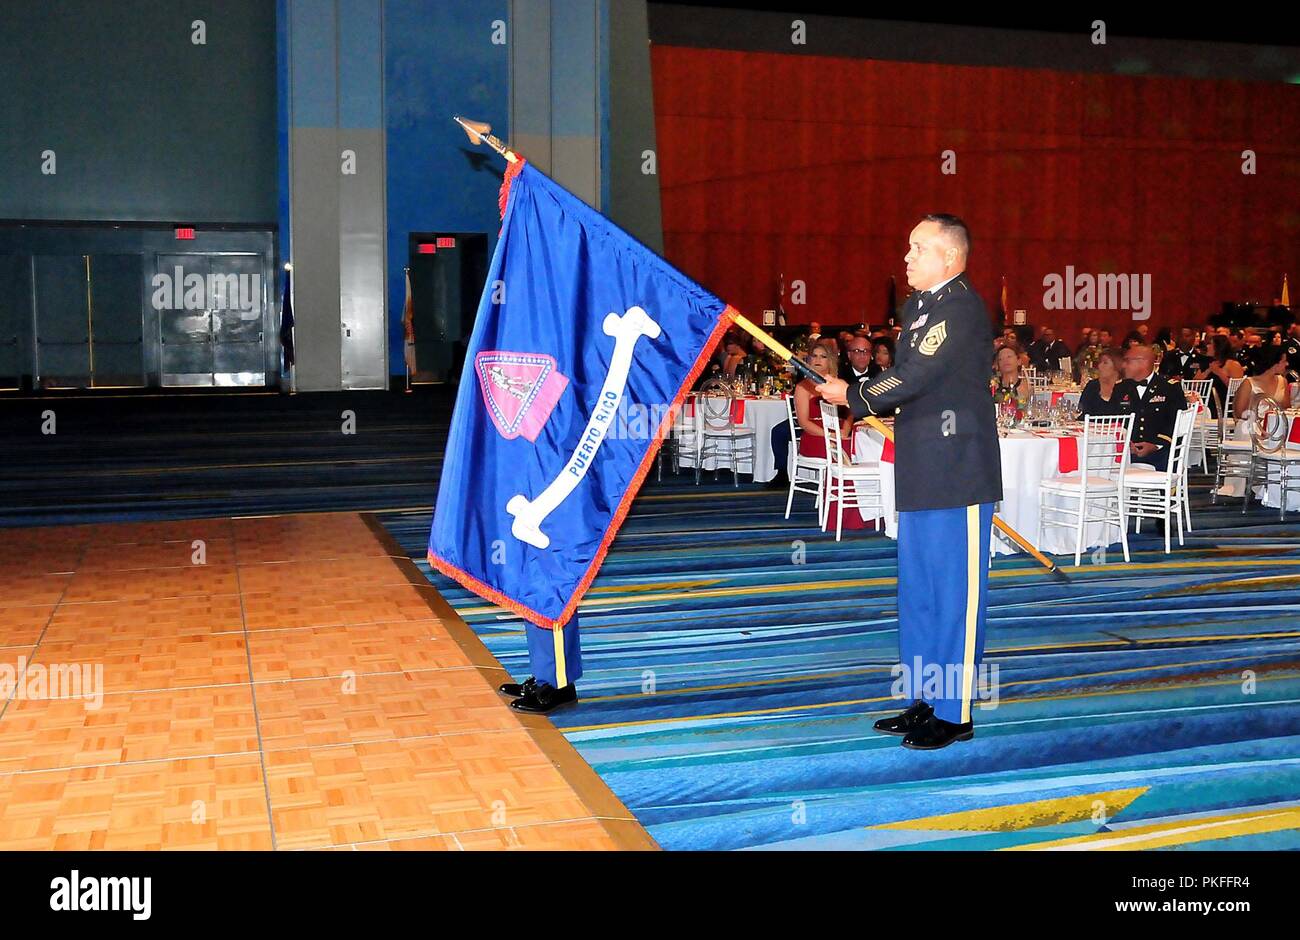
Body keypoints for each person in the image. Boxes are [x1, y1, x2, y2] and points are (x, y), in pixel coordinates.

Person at [817, 213, 1001, 750]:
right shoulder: (920, 307)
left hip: (958, 472)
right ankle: (923, 698)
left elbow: (916, 375)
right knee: (919, 592)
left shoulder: (960, 307)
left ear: (947, 257)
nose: (906, 257)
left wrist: (852, 395)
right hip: (920, 465)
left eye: (917, 248)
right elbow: (917, 383)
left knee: (955, 595)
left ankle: (956, 710)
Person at [794, 341, 866, 531]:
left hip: (841, 432)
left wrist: (845, 431)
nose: (817, 360)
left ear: (830, 361)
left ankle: (869, 510)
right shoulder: (802, 387)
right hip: (815, 435)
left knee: (862, 448)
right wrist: (833, 435)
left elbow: (852, 410)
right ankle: (844, 516)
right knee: (840, 453)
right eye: (814, 356)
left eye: (823, 356)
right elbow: (804, 423)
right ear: (808, 359)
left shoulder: (839, 385)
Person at [1120, 344, 1187, 471]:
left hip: (1159, 452)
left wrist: (1156, 445)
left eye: (1127, 361)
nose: (1123, 365)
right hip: (1126, 452)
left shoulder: (1169, 388)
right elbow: (1114, 420)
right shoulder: (1121, 388)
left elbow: (1178, 424)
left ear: (1142, 362)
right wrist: (1125, 443)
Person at [1232, 346, 1291, 420]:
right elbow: (1239, 413)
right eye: (1284, 361)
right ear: (1274, 364)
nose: (1287, 364)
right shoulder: (1249, 383)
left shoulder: (1283, 381)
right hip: (1251, 426)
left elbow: (1287, 408)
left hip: (1275, 425)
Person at [1193, 334, 1243, 417]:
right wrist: (1208, 371)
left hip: (1223, 403)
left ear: (1218, 347)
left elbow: (1237, 390)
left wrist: (1218, 372)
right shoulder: (1207, 363)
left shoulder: (1232, 364)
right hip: (1205, 403)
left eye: (1210, 344)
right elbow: (1194, 384)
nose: (1207, 346)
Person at [1078, 348, 1135, 417]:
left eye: (1105, 363)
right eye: (1100, 362)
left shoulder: (1129, 387)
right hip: (1091, 427)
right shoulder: (1093, 386)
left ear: (1118, 366)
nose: (1099, 366)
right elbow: (1082, 412)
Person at [990, 345, 1031, 411]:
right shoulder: (992, 387)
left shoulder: (1026, 387)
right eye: (1000, 359)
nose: (1005, 360)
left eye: (1009, 357)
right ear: (997, 366)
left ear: (1019, 361)